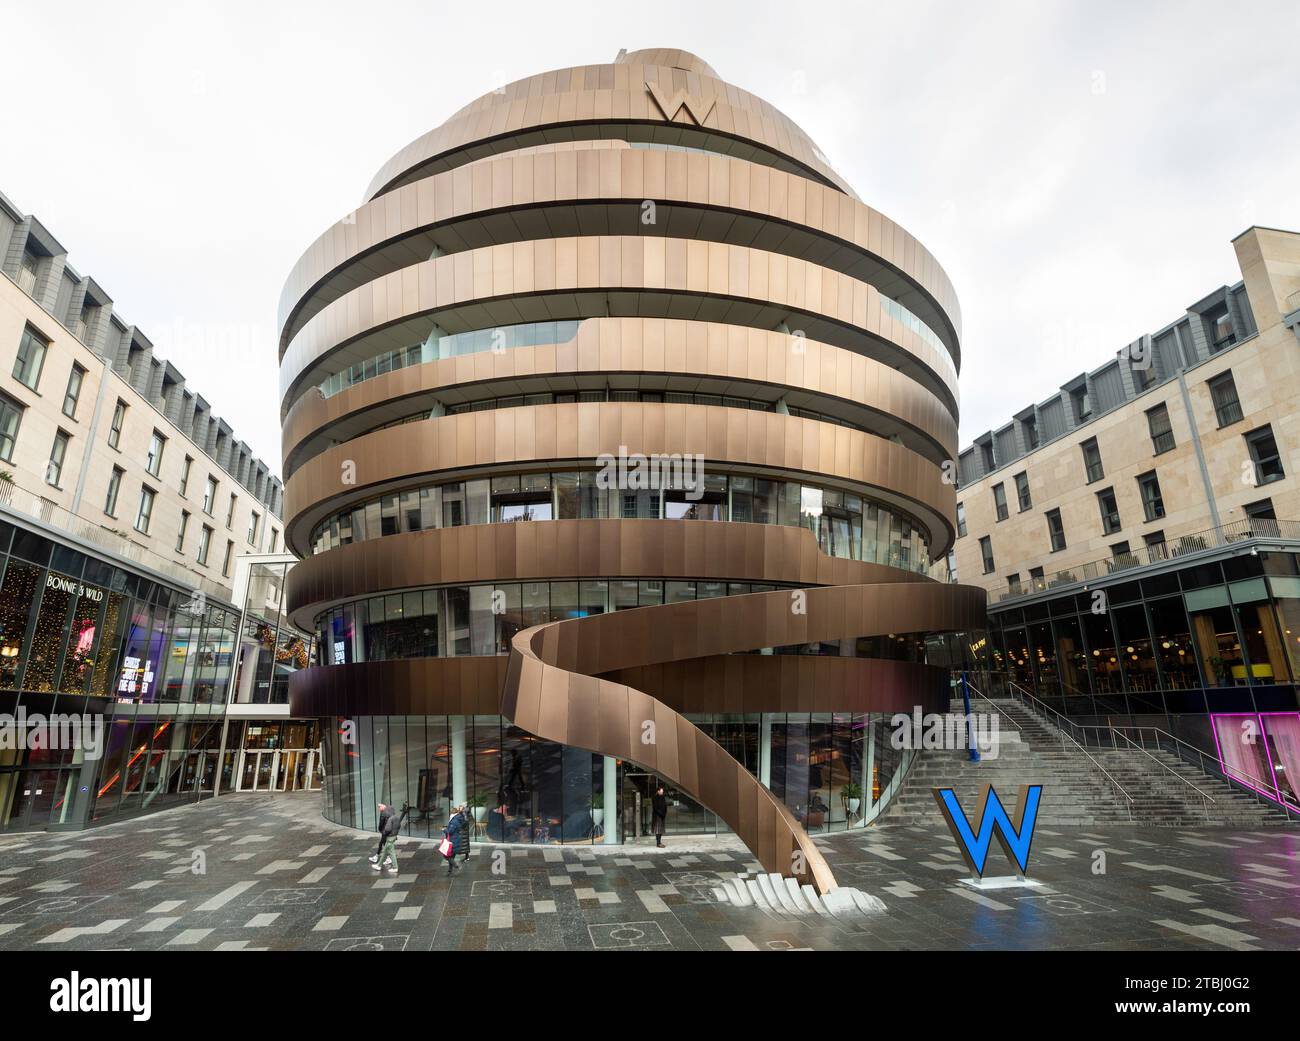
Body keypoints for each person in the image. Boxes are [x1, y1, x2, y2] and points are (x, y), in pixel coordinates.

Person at [371, 802, 409, 874]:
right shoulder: (396, 818)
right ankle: (378, 865)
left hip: (390, 838)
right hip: (394, 836)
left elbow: (387, 829)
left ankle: (395, 868)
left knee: (392, 853)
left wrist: (384, 833)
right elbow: (399, 826)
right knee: (385, 852)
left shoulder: (390, 819)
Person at [443, 804, 469, 875]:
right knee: (451, 856)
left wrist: (444, 830)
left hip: (453, 841)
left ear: (452, 813)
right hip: (456, 840)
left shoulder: (454, 821)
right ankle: (449, 871)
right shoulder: (458, 818)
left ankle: (457, 866)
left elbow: (450, 831)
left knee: (446, 855)